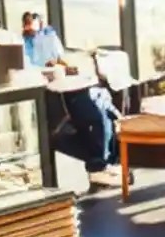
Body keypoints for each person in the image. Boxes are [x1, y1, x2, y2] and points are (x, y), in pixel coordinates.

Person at [22, 12, 122, 188]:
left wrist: (63, 64)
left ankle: (104, 162)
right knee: (92, 116)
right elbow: (31, 65)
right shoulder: (26, 43)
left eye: (34, 24)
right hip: (48, 87)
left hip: (63, 83)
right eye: (28, 24)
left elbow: (58, 57)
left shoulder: (48, 36)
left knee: (104, 112)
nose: (31, 28)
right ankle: (97, 164)